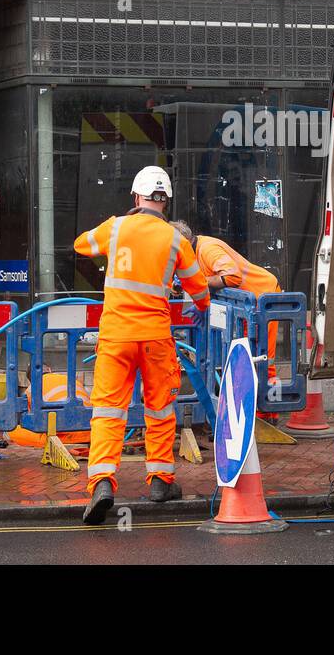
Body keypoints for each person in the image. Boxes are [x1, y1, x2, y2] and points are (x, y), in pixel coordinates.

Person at [74, 166, 210, 526]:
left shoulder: (116, 227)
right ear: (166, 201)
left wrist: (115, 230)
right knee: (161, 408)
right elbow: (200, 294)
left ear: (137, 197)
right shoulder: (176, 240)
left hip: (116, 336)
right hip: (155, 338)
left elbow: (81, 245)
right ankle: (160, 482)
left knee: (107, 410)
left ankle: (102, 481)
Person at [172, 223, 284, 413]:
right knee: (249, 358)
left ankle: (267, 415)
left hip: (262, 298)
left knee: (263, 359)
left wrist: (194, 281)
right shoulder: (196, 253)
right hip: (249, 304)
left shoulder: (207, 249)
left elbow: (232, 277)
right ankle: (254, 414)